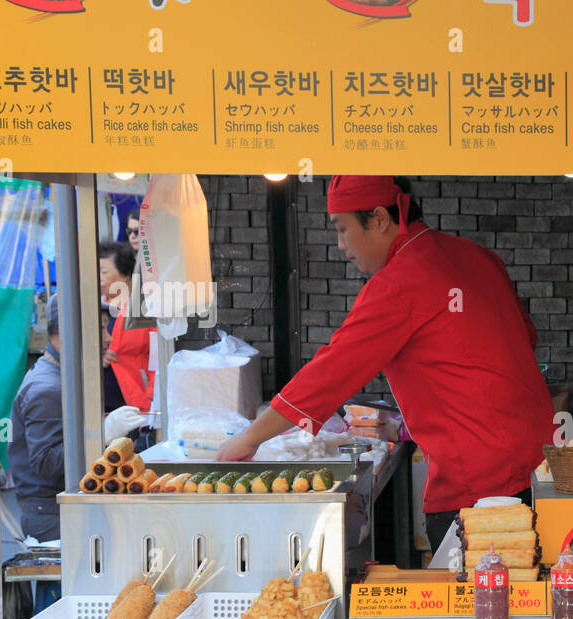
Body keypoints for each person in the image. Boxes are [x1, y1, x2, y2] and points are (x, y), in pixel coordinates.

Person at [217, 175, 555, 552]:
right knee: (536, 600)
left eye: (343, 229)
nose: (341, 245)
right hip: (543, 468)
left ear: (379, 218)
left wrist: (249, 438)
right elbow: (524, 337)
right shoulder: (478, 257)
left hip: (479, 488)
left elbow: (330, 372)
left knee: (479, 605)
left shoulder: (399, 282)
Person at [8, 295, 66, 541]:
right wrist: (102, 434)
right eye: (101, 328)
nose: (108, 338)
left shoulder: (57, 374)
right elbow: (46, 463)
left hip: (51, 508)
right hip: (50, 513)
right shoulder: (47, 388)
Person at [98, 240, 155, 416]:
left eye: (103, 272)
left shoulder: (145, 311)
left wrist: (153, 400)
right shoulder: (93, 308)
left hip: (136, 404)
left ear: (125, 275)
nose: (97, 277)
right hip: (99, 405)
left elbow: (157, 358)